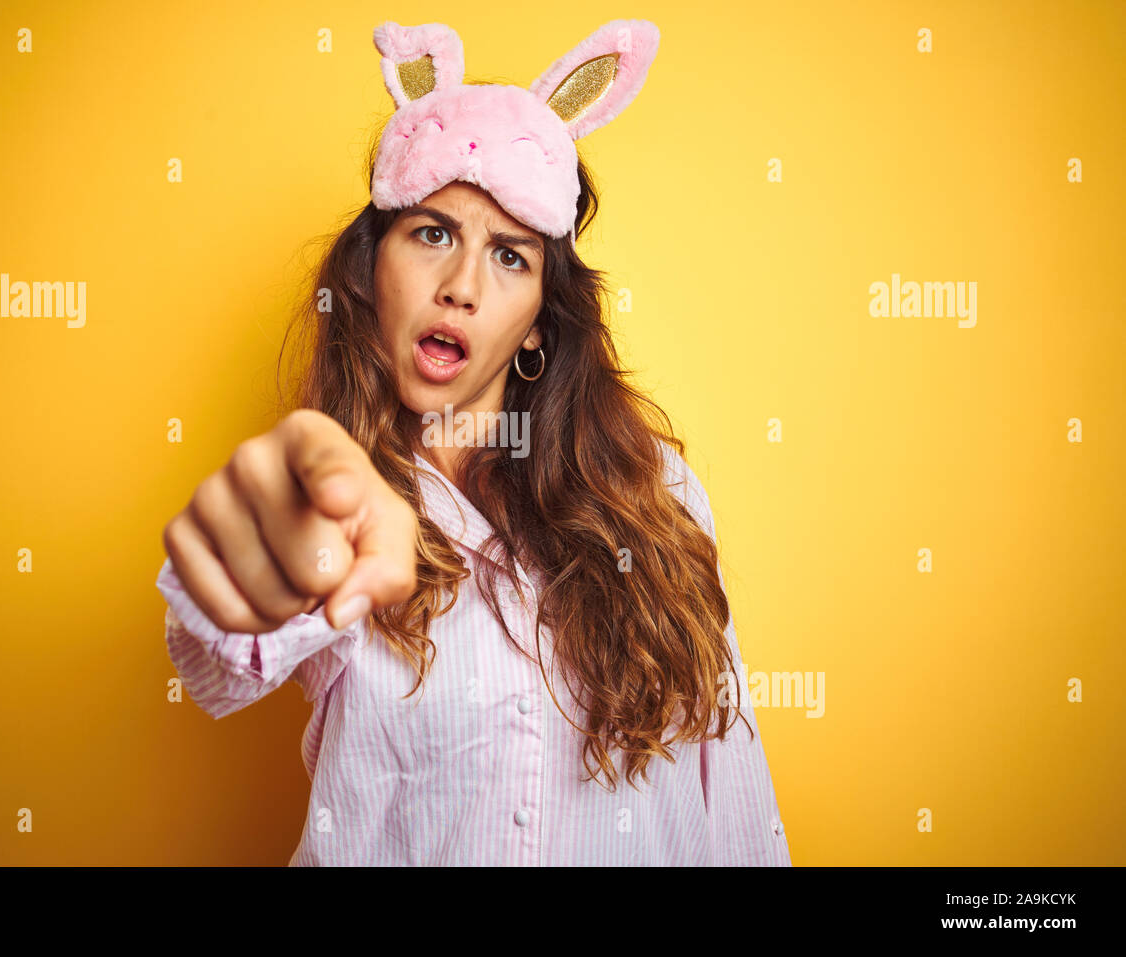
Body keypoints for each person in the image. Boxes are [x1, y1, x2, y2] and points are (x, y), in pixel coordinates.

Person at [156, 18, 791, 866]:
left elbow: (734, 793)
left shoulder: (657, 494)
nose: (460, 287)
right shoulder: (337, 498)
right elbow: (213, 662)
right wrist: (264, 547)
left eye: (509, 256)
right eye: (433, 234)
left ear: (537, 322)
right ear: (370, 272)